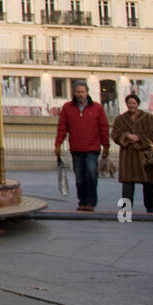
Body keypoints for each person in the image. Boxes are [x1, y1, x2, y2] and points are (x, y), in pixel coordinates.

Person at [54, 78, 110, 213]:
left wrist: (106, 146)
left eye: (82, 92)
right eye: (78, 92)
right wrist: (58, 144)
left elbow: (103, 127)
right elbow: (62, 127)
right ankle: (82, 201)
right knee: (79, 177)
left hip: (93, 148)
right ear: (74, 93)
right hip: (76, 148)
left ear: (87, 93)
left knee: (91, 174)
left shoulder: (97, 108)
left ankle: (91, 202)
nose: (80, 94)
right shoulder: (67, 108)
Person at [112, 92, 153, 214]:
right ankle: (126, 210)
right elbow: (115, 135)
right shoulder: (120, 119)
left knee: (148, 183)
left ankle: (151, 208)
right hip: (128, 156)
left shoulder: (149, 118)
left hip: (144, 156)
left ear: (137, 104)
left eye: (133, 103)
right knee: (127, 184)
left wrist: (139, 139)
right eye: (129, 103)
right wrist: (126, 136)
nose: (131, 105)